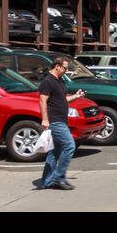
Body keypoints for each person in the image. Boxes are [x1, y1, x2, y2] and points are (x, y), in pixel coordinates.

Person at [36, 56, 84, 191]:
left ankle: (47, 181)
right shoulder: (47, 82)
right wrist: (45, 119)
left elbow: (62, 100)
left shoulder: (59, 81)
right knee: (69, 146)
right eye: (64, 68)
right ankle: (58, 178)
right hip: (55, 121)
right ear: (57, 66)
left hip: (62, 120)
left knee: (54, 152)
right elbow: (42, 101)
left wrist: (76, 96)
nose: (66, 71)